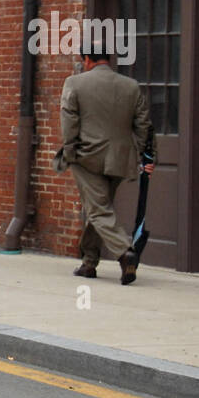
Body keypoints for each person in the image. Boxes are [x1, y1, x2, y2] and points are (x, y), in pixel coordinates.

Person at [57, 48, 155, 285]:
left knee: (98, 210)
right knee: (100, 207)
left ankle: (125, 253)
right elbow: (144, 125)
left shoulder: (74, 83)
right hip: (121, 158)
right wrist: (147, 157)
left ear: (87, 60)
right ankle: (89, 263)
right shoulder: (131, 86)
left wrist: (69, 152)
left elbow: (69, 119)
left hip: (86, 156)